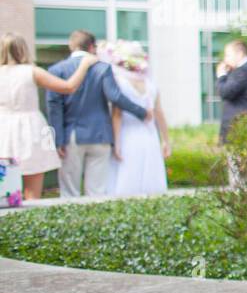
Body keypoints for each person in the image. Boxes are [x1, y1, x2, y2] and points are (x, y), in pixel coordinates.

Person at [46, 30, 152, 198]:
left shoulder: (57, 70)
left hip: (71, 136)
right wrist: (142, 112)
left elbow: (54, 107)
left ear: (71, 46)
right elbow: (116, 96)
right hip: (100, 135)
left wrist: (57, 140)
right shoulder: (102, 68)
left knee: (69, 193)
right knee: (97, 193)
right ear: (91, 47)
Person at [0, 32, 94, 200]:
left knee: (3, 190)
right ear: (22, 50)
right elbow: (68, 87)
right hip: (30, 129)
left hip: (3, 130)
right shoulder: (32, 72)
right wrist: (84, 65)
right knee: (32, 191)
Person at [102, 41, 169, 196]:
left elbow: (117, 115)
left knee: (126, 177)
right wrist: (165, 140)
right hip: (150, 135)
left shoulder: (119, 82)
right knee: (150, 177)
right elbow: (160, 113)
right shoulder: (151, 84)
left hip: (127, 134)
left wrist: (116, 143)